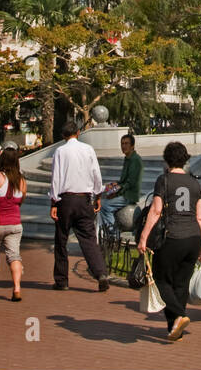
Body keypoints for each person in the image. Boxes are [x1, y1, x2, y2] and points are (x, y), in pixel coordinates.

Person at [137, 141, 201, 341]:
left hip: (172, 238)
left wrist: (143, 237)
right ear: (185, 160)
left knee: (160, 281)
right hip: (193, 237)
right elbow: (200, 217)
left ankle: (180, 315)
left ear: (166, 160)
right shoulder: (195, 184)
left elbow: (156, 210)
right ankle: (175, 328)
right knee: (181, 284)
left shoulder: (164, 180)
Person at [48, 119, 110, 292]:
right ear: (78, 133)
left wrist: (54, 201)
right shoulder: (88, 149)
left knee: (61, 240)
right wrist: (98, 194)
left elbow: (56, 179)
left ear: (63, 136)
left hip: (65, 200)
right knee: (89, 239)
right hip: (84, 199)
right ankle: (100, 273)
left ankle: (62, 280)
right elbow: (96, 174)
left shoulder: (60, 151)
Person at [0, 146, 26, 301]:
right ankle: (16, 287)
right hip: (15, 224)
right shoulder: (21, 180)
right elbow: (21, 201)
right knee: (14, 256)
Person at [99, 133, 142, 237]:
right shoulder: (128, 158)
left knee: (105, 206)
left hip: (129, 195)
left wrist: (116, 192)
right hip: (125, 192)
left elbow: (130, 183)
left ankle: (114, 235)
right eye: (122, 143)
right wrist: (116, 184)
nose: (124, 146)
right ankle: (107, 233)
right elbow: (124, 180)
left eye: (126, 143)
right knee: (103, 200)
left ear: (132, 146)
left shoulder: (134, 160)